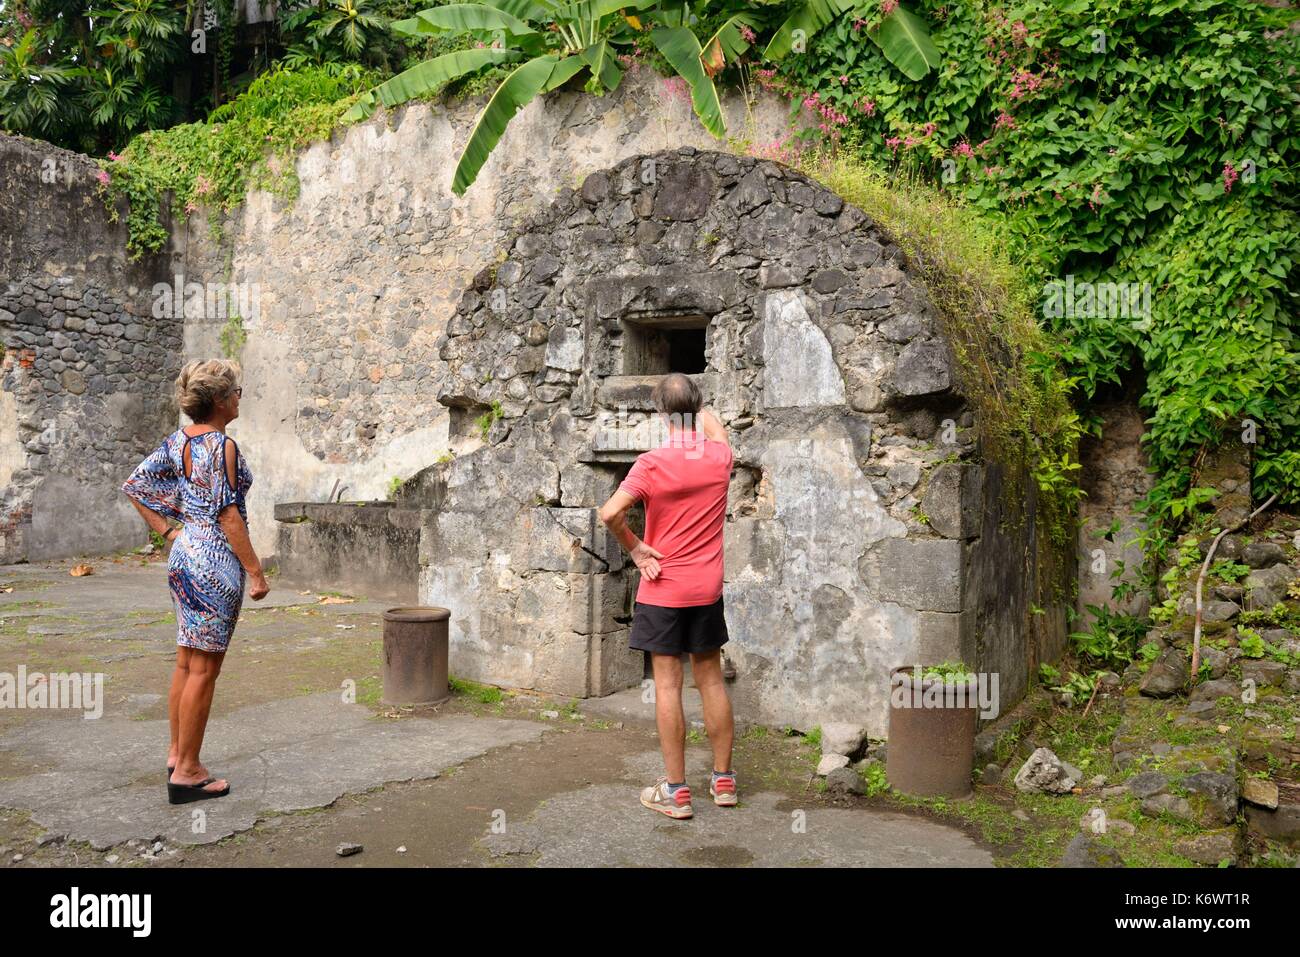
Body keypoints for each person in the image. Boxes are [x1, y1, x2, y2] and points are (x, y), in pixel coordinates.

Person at [122, 359, 269, 804]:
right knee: (204, 668)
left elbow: (135, 486)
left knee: (187, 661)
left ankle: (176, 753)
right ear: (223, 401)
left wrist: (170, 533)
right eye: (237, 391)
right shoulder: (221, 446)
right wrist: (256, 571)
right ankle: (187, 771)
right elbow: (228, 515)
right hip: (214, 561)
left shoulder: (177, 441)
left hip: (185, 555)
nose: (241, 397)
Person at [598, 372, 737, 820]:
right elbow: (715, 427)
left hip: (664, 588)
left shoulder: (652, 463)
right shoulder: (719, 456)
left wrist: (636, 548)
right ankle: (723, 782)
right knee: (711, 680)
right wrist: (697, 411)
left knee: (668, 685)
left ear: (659, 413)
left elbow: (610, 513)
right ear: (696, 409)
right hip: (706, 587)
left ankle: (676, 792)